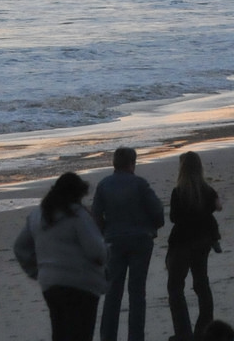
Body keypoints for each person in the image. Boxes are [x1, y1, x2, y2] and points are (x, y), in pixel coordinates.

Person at [15, 171, 108, 341]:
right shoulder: (78, 216)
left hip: (50, 283)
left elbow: (20, 247)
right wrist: (106, 254)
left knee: (60, 333)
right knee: (81, 334)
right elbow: (96, 250)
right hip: (82, 284)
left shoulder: (38, 215)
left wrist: (37, 270)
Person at [91, 146, 164, 341]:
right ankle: (135, 337)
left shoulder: (104, 185)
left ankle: (108, 337)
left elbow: (96, 215)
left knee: (113, 292)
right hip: (140, 240)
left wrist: (104, 233)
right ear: (132, 164)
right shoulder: (140, 184)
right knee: (137, 293)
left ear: (115, 163)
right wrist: (152, 227)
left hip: (113, 241)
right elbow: (157, 212)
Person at [165, 151, 222, 341]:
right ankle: (203, 330)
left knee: (175, 287)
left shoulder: (179, 191)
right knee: (201, 283)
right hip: (203, 240)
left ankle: (183, 333)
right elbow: (217, 206)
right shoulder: (207, 190)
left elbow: (174, 218)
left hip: (182, 242)